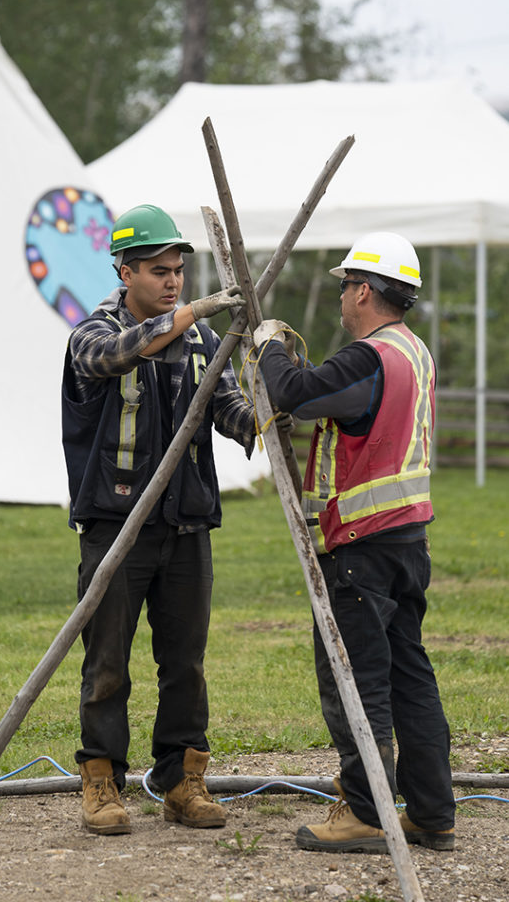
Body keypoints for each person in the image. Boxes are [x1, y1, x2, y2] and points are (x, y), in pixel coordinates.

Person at [253, 231, 456, 854]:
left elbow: (295, 393)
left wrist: (268, 347)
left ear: (364, 291)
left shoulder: (369, 357)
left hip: (362, 549)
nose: (343, 296)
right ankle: (432, 812)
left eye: (346, 286)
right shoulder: (414, 352)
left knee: (356, 680)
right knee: (409, 676)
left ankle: (366, 812)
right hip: (407, 541)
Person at [62, 203, 256, 836]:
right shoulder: (93, 332)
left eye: (178, 271)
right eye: (157, 270)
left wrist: (270, 408)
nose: (173, 281)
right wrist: (191, 313)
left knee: (186, 664)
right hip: (115, 524)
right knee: (107, 663)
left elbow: (228, 407)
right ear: (125, 272)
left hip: (186, 523)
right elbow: (115, 355)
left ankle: (182, 781)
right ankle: (101, 782)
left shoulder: (202, 343)